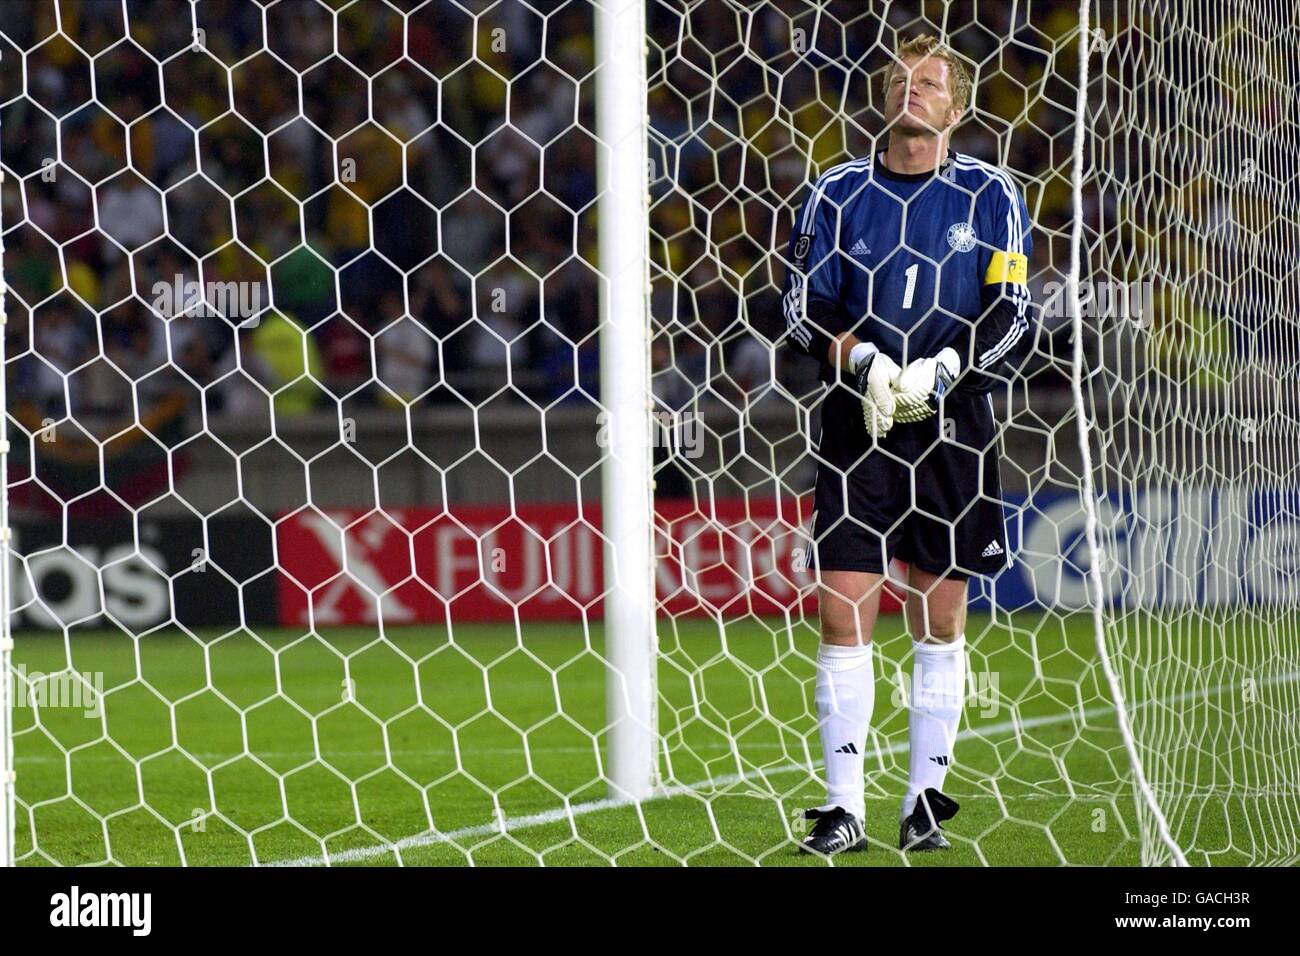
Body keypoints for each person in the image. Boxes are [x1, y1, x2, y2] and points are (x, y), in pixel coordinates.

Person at [780, 35, 1033, 855]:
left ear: (955, 109)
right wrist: (862, 362)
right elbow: (796, 307)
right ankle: (842, 806)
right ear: (883, 97)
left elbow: (1015, 310)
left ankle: (923, 800)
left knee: (940, 620)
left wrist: (947, 366)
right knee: (841, 610)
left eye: (929, 83)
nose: (911, 91)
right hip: (860, 423)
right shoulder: (835, 192)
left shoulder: (992, 194)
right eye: (900, 80)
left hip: (954, 426)